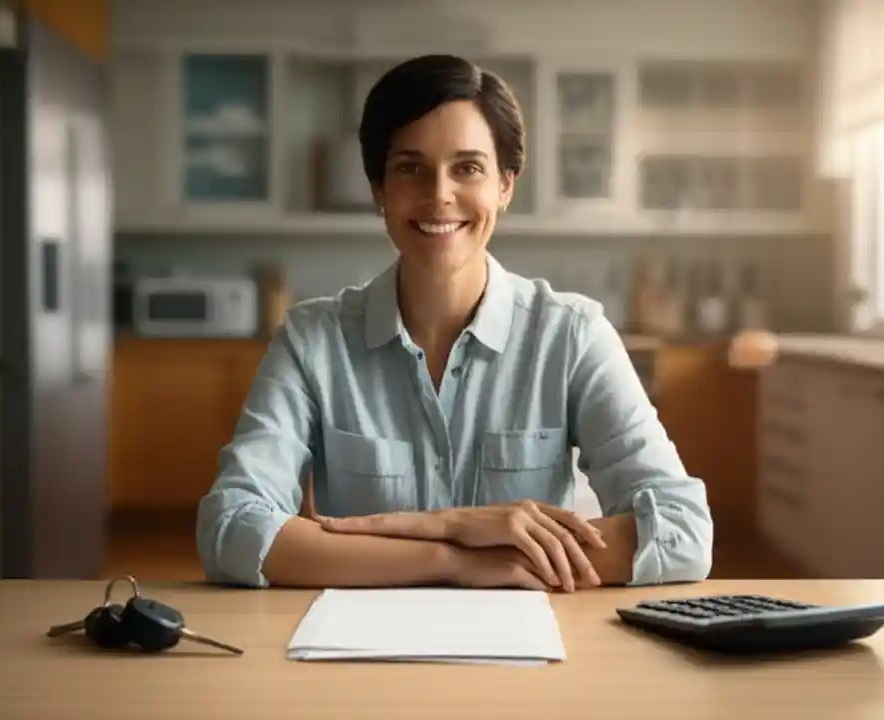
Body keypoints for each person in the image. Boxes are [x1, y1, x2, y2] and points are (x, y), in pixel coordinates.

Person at [197, 54, 713, 591]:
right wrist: (452, 547)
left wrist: (407, 544)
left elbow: (681, 532)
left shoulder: (574, 336)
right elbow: (232, 528)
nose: (439, 194)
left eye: (467, 168)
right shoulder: (311, 341)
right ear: (378, 187)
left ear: (505, 185)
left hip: (531, 651)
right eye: (410, 168)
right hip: (357, 656)